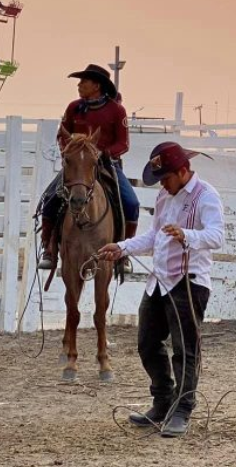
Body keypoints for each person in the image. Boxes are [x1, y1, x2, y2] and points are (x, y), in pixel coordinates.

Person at [97, 142, 224, 438]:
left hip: (189, 282)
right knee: (147, 343)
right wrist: (123, 247)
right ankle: (163, 400)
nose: (163, 184)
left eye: (166, 178)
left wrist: (187, 235)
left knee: (185, 349)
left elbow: (217, 236)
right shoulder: (166, 195)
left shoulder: (206, 195)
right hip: (160, 280)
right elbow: (154, 235)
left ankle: (182, 408)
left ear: (182, 171)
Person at [37, 64, 140, 270]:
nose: (79, 84)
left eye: (84, 81)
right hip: (76, 166)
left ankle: (123, 252)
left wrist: (102, 153)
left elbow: (124, 144)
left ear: (97, 85)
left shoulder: (116, 110)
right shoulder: (73, 107)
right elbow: (62, 134)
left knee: (131, 203)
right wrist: (69, 151)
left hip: (106, 165)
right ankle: (49, 248)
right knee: (49, 198)